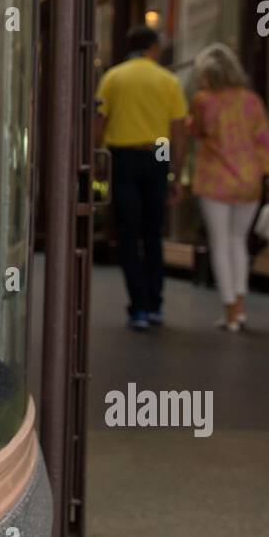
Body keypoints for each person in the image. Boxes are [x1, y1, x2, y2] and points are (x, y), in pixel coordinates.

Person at [94, 25, 188, 330]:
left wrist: (97, 159)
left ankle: (138, 308)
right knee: (153, 232)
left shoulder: (114, 77)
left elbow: (99, 122)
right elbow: (178, 130)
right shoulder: (168, 80)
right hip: (158, 153)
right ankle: (155, 303)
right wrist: (175, 171)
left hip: (122, 156)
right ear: (155, 47)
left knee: (128, 233)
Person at [188, 43, 269, 331]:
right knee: (239, 241)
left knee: (220, 243)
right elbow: (265, 141)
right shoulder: (251, 101)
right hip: (249, 180)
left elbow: (196, 130)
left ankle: (228, 310)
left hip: (215, 179)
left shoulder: (204, 100)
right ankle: (240, 306)